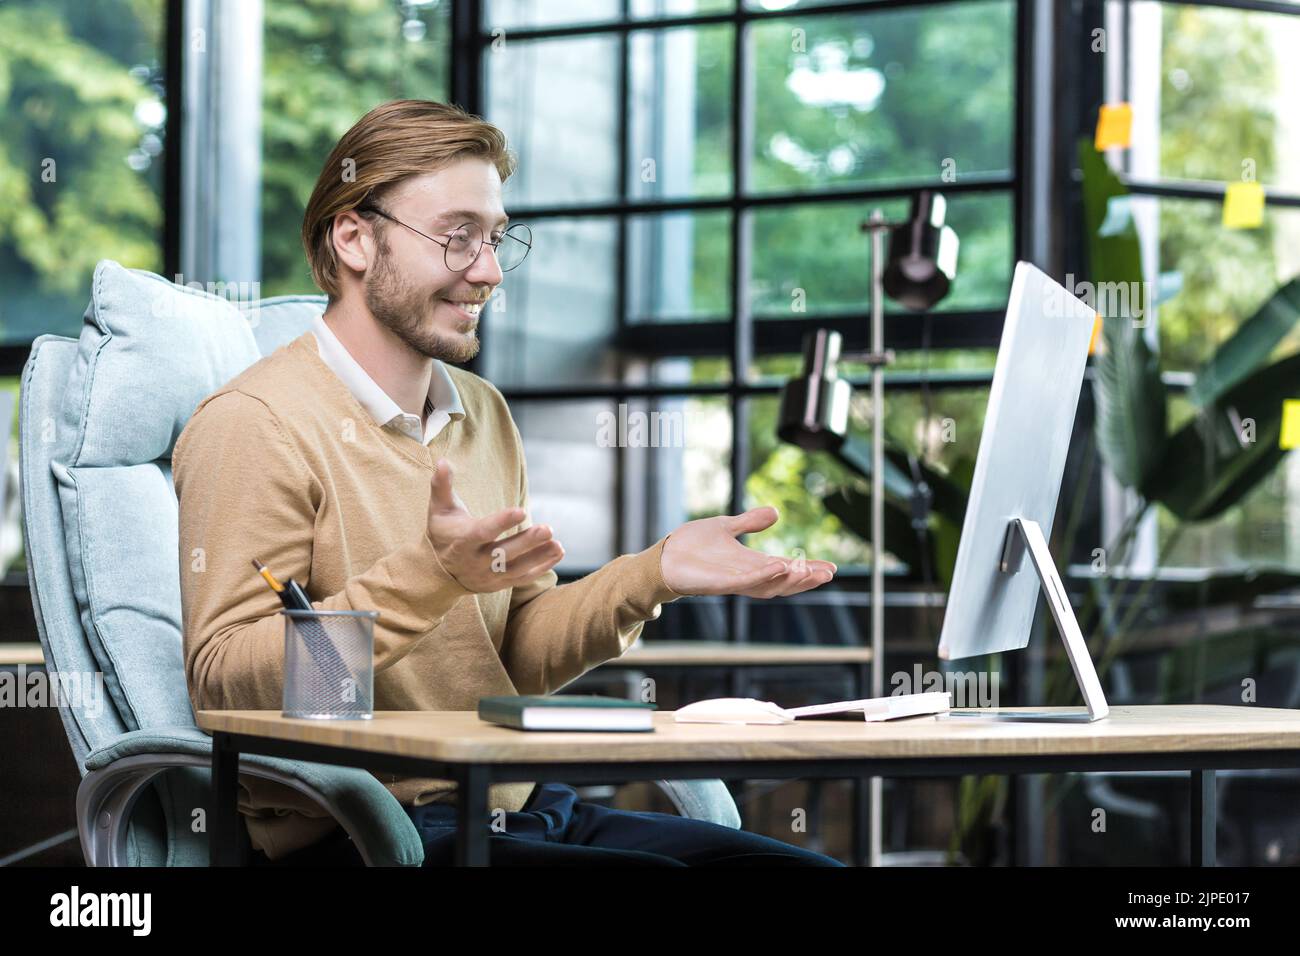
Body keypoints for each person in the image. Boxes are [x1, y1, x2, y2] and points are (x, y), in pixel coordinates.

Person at [174, 99, 842, 867]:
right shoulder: (256, 422)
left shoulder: (480, 413)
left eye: (495, 239)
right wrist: (432, 577)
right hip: (367, 836)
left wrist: (654, 573)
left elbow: (514, 654)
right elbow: (228, 690)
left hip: (515, 806)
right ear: (354, 238)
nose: (488, 271)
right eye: (458, 238)